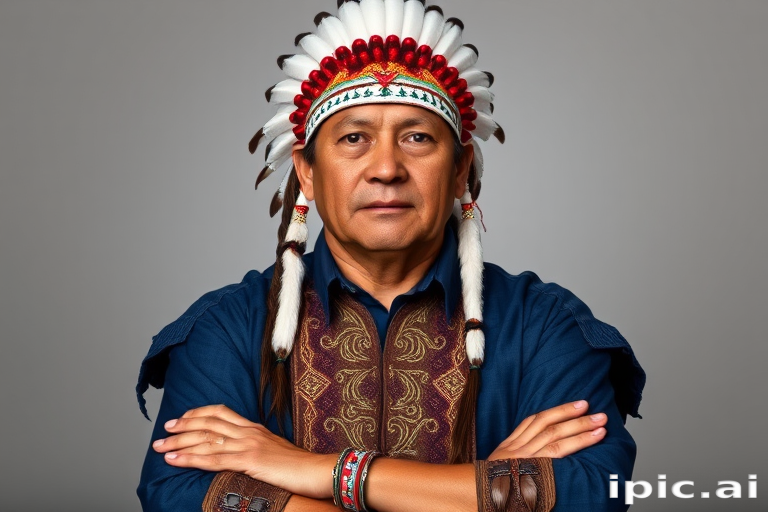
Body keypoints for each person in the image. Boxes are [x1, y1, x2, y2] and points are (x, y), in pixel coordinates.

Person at [136, 1, 645, 511]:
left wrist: (316, 471)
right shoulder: (229, 327)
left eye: (417, 138)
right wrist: (483, 493)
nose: (386, 168)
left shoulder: (541, 326)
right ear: (307, 171)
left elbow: (592, 493)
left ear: (460, 169)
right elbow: (179, 497)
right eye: (354, 138)